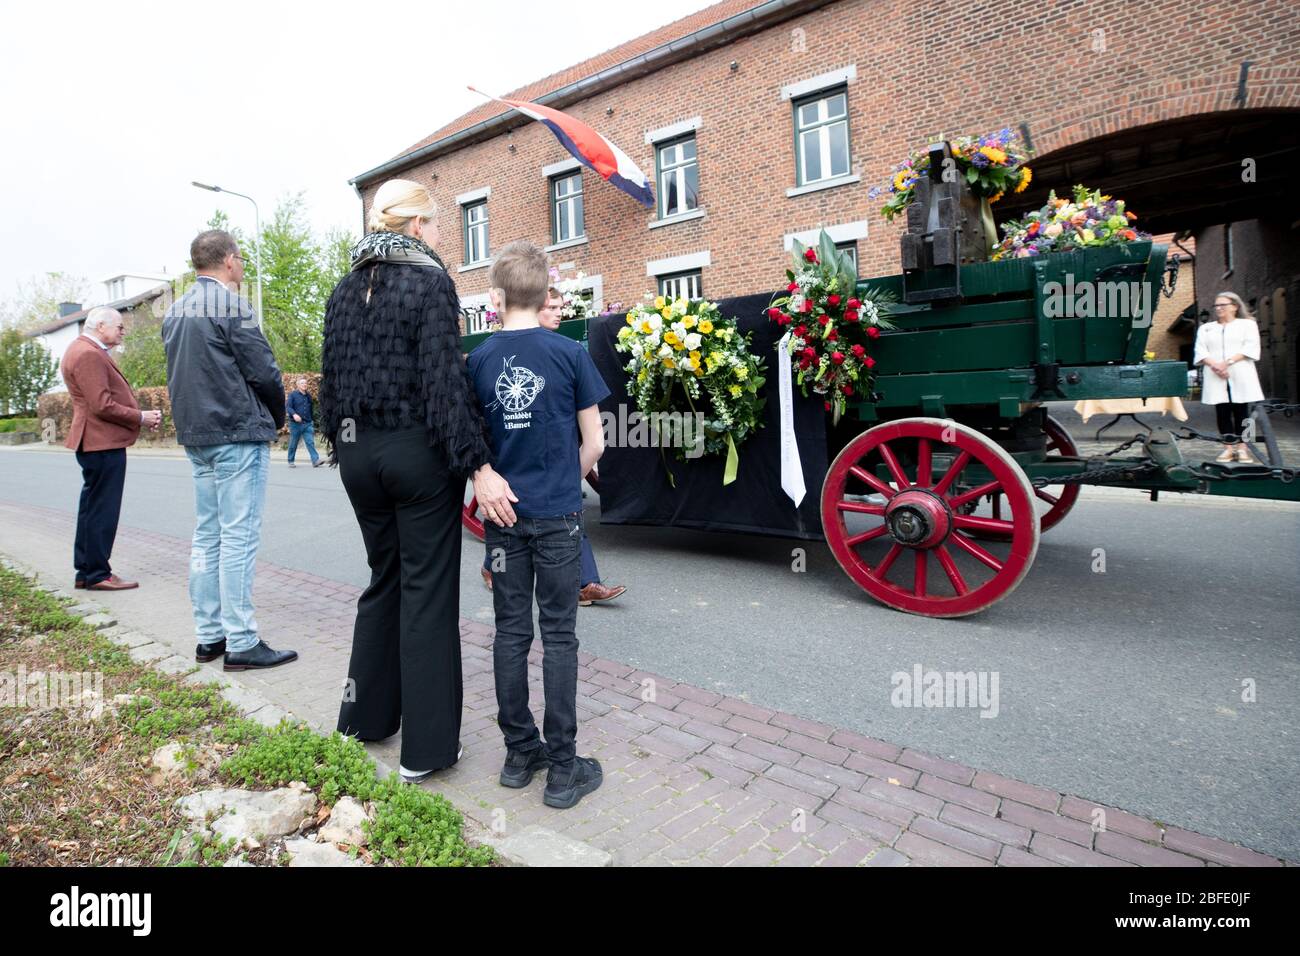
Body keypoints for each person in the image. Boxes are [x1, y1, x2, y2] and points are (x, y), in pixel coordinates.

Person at [320, 178, 515, 784]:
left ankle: (363, 719)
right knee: (427, 594)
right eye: (432, 224)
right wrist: (478, 463)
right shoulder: (429, 282)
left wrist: (343, 445)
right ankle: (427, 751)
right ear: (413, 226)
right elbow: (441, 386)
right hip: (415, 455)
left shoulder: (343, 290)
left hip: (359, 455)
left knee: (384, 581)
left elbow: (331, 383)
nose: (437, 236)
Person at [468, 241, 609, 810]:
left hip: (504, 518)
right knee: (559, 635)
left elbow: (473, 442)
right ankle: (563, 769)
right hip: (556, 518)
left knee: (509, 632)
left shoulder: (476, 360)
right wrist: (563, 487)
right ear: (545, 294)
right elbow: (595, 442)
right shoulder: (569, 353)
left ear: (497, 299)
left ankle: (518, 754)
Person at [163, 229, 297, 672]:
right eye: (241, 260)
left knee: (208, 535)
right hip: (236, 434)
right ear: (229, 261)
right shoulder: (230, 305)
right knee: (239, 537)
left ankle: (209, 636)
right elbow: (264, 370)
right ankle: (242, 641)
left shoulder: (175, 311)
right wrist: (277, 415)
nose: (242, 268)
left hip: (197, 437)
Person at [479, 286, 626, 606]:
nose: (559, 313)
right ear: (533, 306)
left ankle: (583, 581)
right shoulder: (501, 357)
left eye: (562, 307)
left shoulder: (567, 352)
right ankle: (500, 565)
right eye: (552, 307)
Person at [59, 307, 162, 591]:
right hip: (101, 442)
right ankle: (97, 574)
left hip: (94, 441)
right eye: (119, 326)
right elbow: (101, 404)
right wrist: (140, 416)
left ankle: (86, 571)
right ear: (101, 325)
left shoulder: (79, 349)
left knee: (91, 508)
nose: (122, 331)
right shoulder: (89, 353)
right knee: (103, 510)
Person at [1193, 291, 1264, 463]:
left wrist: (1227, 362)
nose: (1218, 308)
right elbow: (1200, 350)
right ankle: (1228, 448)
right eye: (1216, 305)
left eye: (1223, 305)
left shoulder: (1247, 325)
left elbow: (1250, 347)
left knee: (1244, 413)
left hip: (1240, 373)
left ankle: (1244, 449)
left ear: (1235, 306)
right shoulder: (1206, 328)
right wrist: (1215, 365)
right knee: (1222, 412)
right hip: (1216, 375)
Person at [286, 377, 322, 468]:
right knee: (293, 443)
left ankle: (315, 460)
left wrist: (311, 420)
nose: (304, 384)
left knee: (310, 442)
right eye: (302, 383)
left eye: (305, 383)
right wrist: (294, 414)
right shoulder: (292, 395)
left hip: (307, 423)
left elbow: (310, 409)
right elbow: (288, 407)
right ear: (298, 385)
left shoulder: (309, 396)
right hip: (295, 424)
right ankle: (291, 460)